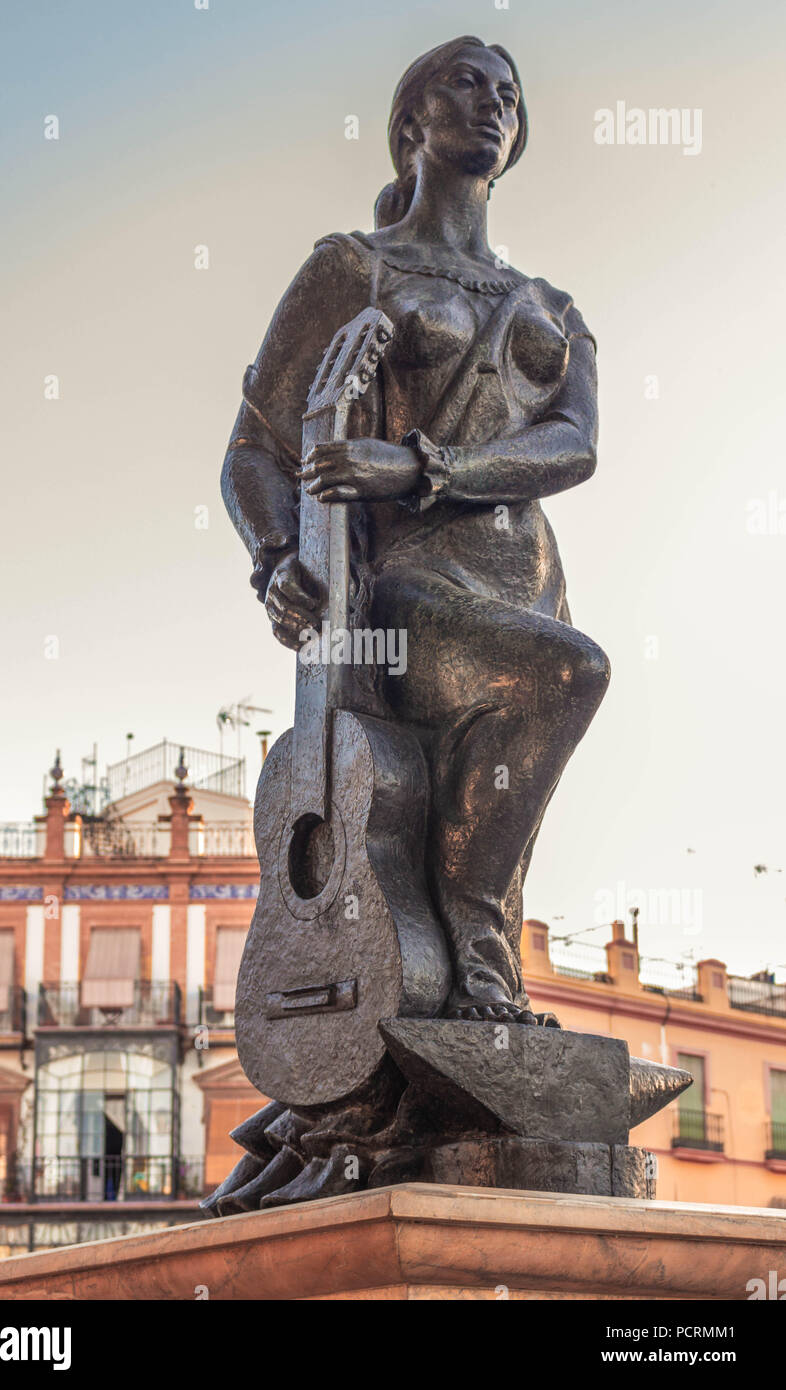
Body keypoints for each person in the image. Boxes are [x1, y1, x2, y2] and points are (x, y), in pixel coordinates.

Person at [221, 36, 609, 1027]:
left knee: (474, 787)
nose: (491, 105)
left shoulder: (552, 308)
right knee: (567, 672)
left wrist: (421, 464)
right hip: (398, 588)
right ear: (410, 124)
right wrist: (275, 557)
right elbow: (252, 450)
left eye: (508, 96)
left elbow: (572, 444)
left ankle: (451, 987)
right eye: (464, 85)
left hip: (519, 577)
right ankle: (478, 963)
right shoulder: (352, 268)